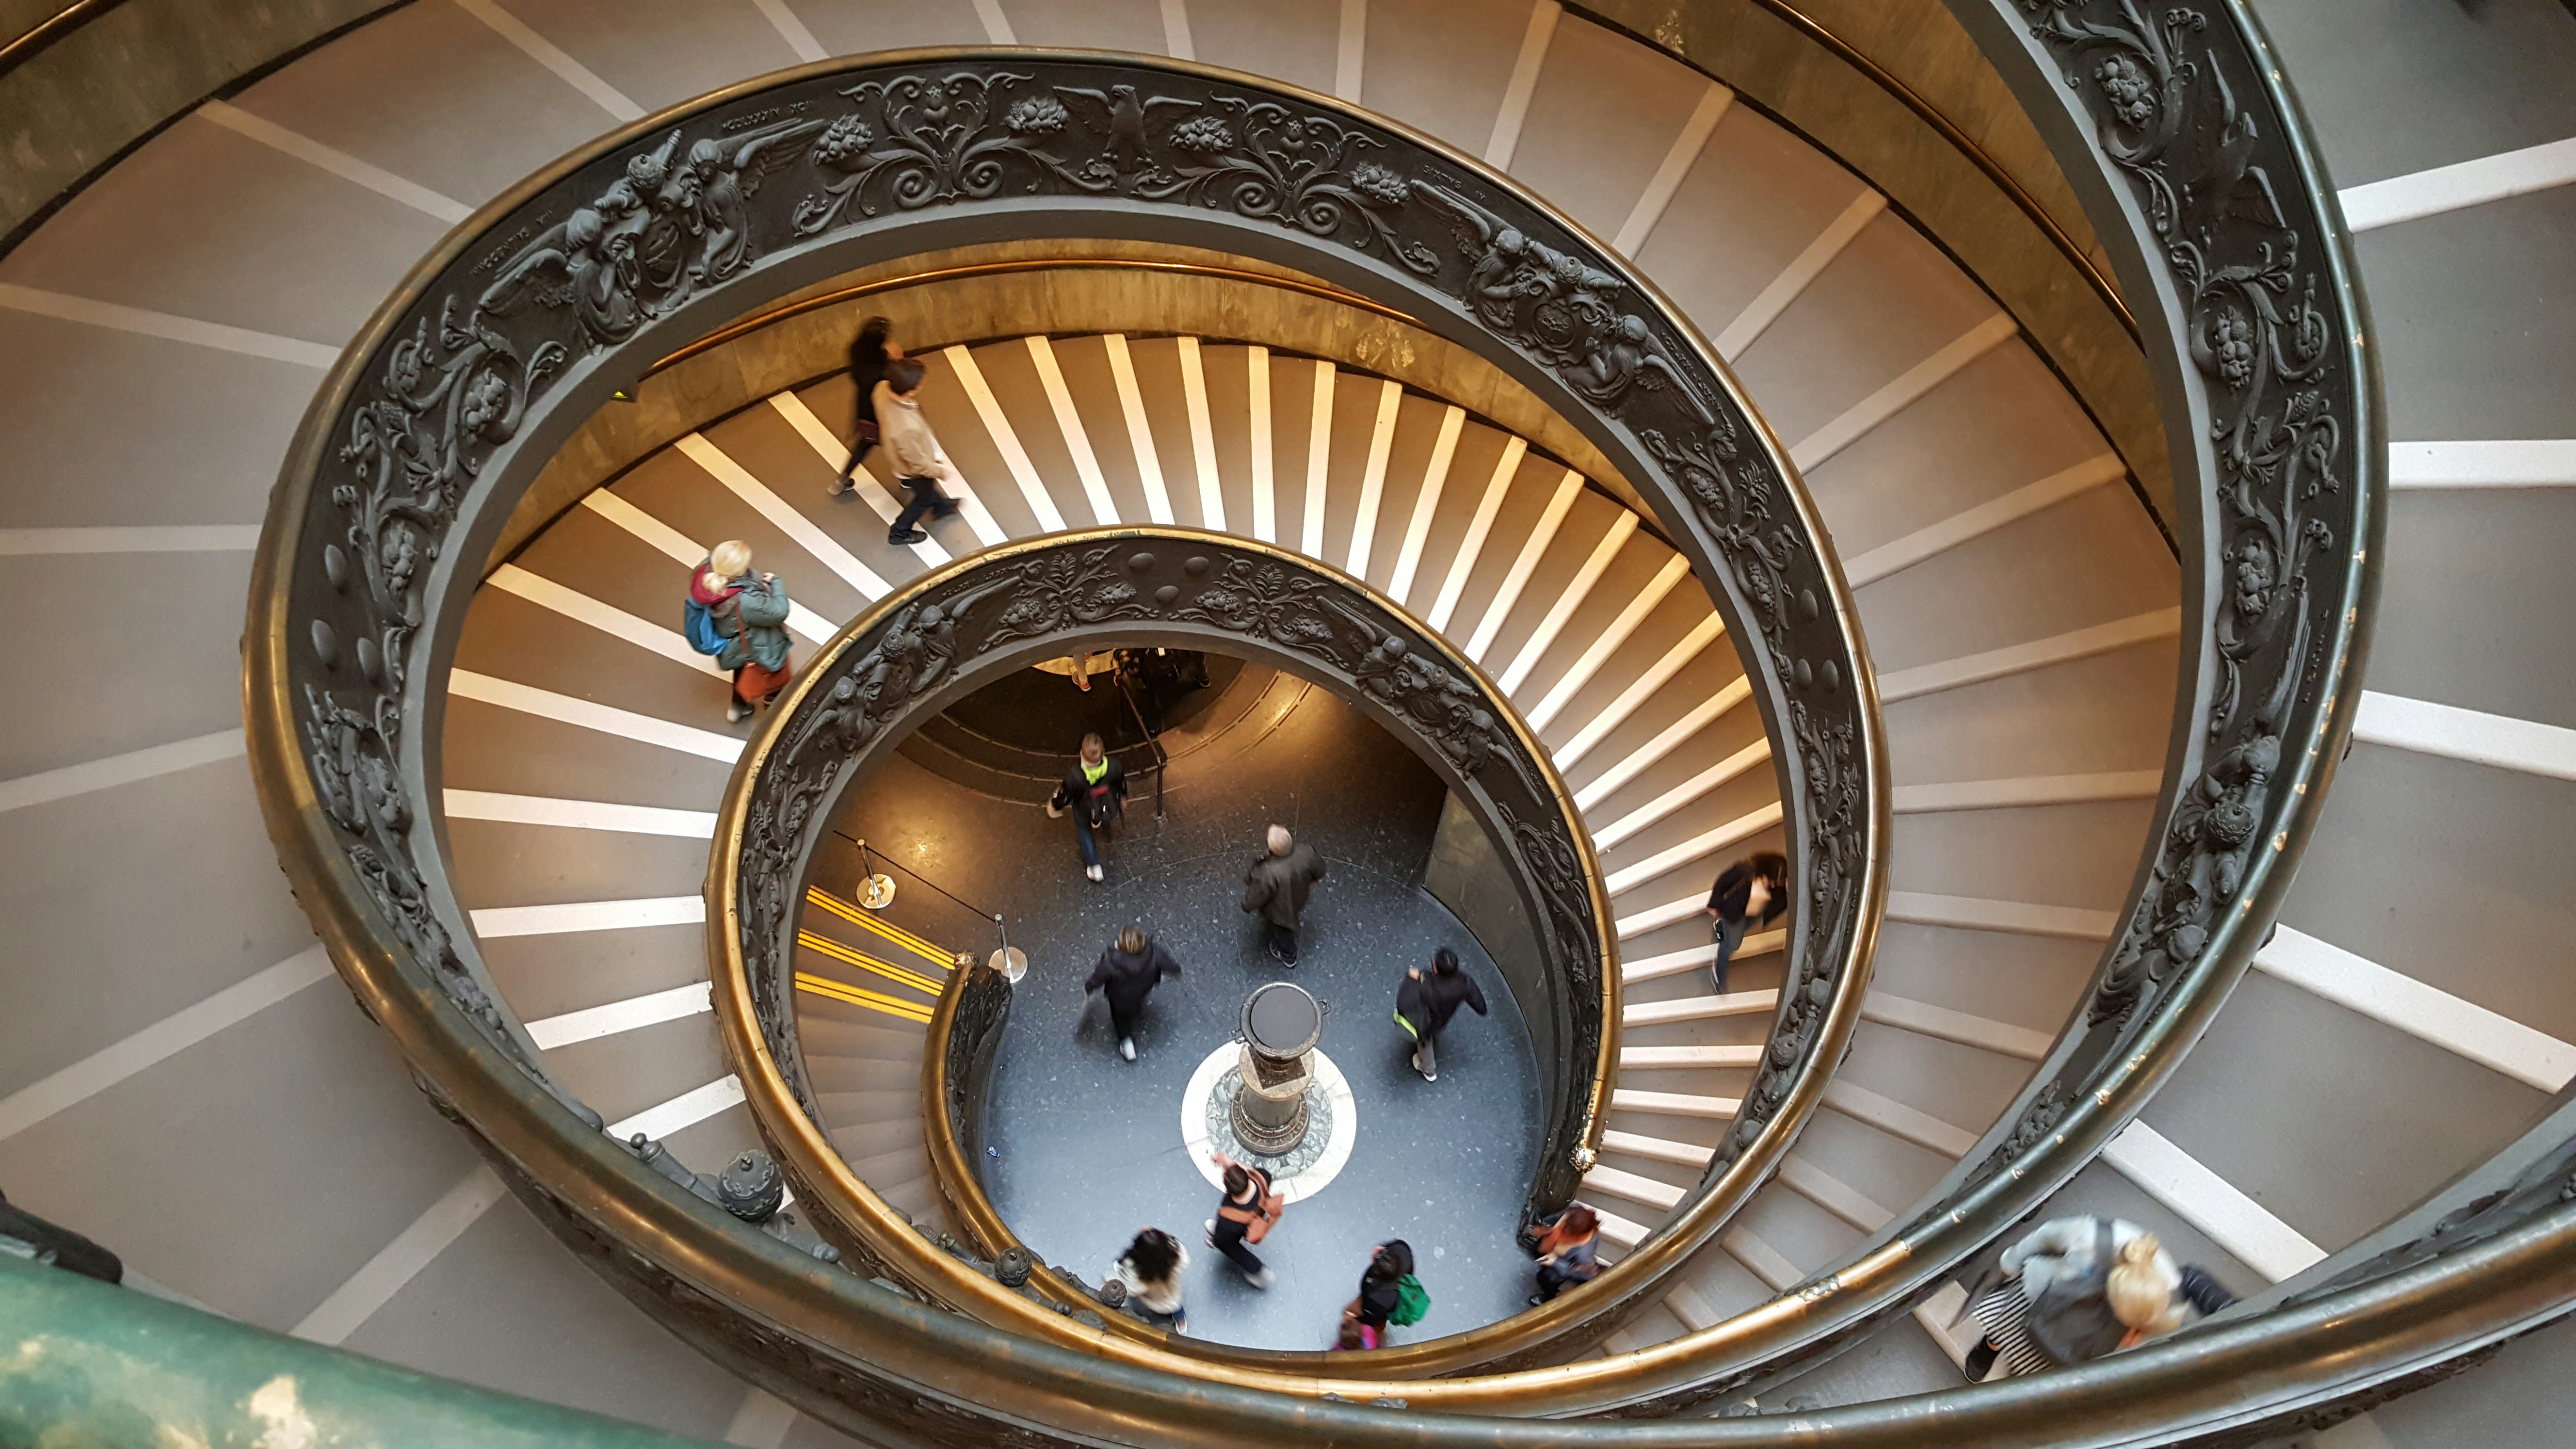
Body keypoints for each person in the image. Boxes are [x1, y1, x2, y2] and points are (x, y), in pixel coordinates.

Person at [1960, 1218, 2231, 1380]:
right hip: (2039, 1299)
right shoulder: (2092, 1238)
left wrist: (2135, 1333)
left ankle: (2018, 1375)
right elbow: (2046, 1237)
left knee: (2040, 1367)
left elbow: (2161, 1326)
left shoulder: (2169, 1302)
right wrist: (2010, 1262)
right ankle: (1991, 1345)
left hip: (2082, 1340)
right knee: (2004, 1326)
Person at [693, 541, 793, 724]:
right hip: (757, 640)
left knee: (742, 669)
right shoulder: (746, 601)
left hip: (734, 642)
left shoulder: (707, 580)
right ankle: (774, 704)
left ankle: (738, 707)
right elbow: (778, 612)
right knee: (772, 666)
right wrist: (776, 583)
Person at [875, 355, 959, 545]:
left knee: (927, 491)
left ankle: (941, 506)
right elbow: (918, 465)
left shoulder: (881, 388)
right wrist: (940, 472)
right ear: (910, 391)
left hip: (900, 452)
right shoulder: (905, 428)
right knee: (923, 497)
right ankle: (899, 532)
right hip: (912, 470)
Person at [1083, 926, 1180, 1062]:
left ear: (1122, 945)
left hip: (1119, 1000)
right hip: (1142, 991)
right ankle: (1136, 1010)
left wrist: (1089, 988)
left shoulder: (1111, 962)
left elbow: (1097, 979)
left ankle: (1127, 1045)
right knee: (1136, 1003)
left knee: (1121, 1021)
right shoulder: (1153, 953)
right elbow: (1172, 967)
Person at [1394, 946, 1488, 1083]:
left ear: (1435, 967)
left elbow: (1404, 1003)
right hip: (1442, 1020)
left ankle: (1428, 1069)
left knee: (1425, 1042)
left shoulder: (1425, 985)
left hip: (1425, 1023)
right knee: (1434, 1031)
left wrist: (1411, 980)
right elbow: (1481, 1007)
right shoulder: (1464, 983)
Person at [831, 316, 899, 495]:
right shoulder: (882, 366)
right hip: (883, 409)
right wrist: (896, 359)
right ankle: (910, 479)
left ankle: (843, 478)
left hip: (864, 407)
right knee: (900, 442)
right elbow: (896, 382)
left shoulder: (856, 351)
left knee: (865, 443)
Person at [1240, 824, 1327, 965]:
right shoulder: (1307, 852)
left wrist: (1247, 905)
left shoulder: (1270, 873)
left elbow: (1259, 894)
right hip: (1299, 898)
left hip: (1281, 911)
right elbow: (1320, 870)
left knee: (1283, 931)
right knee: (1292, 915)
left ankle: (1289, 956)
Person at [1702, 851, 1787, 994]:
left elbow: (1780, 902)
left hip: (1753, 912)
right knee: (1732, 945)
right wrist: (1713, 904)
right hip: (1734, 912)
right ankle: (1718, 971)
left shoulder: (1781, 885)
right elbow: (1723, 881)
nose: (1775, 885)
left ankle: (1721, 927)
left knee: (1741, 930)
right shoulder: (1746, 872)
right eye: (1774, 882)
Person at [1046, 734, 1127, 883]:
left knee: (1085, 832)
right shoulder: (1114, 766)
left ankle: (1095, 867)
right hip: (1107, 804)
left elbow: (1065, 796)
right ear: (1103, 754)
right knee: (1097, 813)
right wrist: (1123, 796)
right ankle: (1098, 820)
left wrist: (1055, 806)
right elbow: (1121, 782)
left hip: (1084, 809)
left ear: (1081, 754)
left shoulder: (1074, 776)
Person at [1203, 1155, 1279, 1288]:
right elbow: (1250, 1174)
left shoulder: (1228, 1218)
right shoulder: (1262, 1177)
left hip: (1233, 1228)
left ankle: (1257, 1270)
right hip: (1256, 1217)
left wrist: (1219, 1237)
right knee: (1231, 1232)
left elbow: (1223, 1238)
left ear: (1229, 1191)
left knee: (1227, 1244)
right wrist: (1232, 1165)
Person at [1113, 1227, 1188, 1333]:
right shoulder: (1175, 1254)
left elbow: (1133, 1288)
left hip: (1156, 1300)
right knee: (1177, 1308)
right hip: (1174, 1293)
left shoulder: (1138, 1275)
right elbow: (1184, 1261)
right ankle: (1181, 1320)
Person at [1526, 1202, 1601, 1305]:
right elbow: (1558, 1220)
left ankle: (1549, 1299)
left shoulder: (1584, 1253)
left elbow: (1577, 1271)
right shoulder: (1574, 1210)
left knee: (1544, 1279)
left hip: (1567, 1266)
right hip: (1554, 1250)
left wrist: (1555, 1262)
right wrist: (1547, 1230)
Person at [1342, 1240, 1414, 1340]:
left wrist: (1354, 1320)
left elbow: (1370, 1317)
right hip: (1383, 1302)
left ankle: (1373, 1339)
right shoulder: (1401, 1250)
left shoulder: (1380, 1299)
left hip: (1377, 1309)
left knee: (1352, 1315)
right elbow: (1400, 1244)